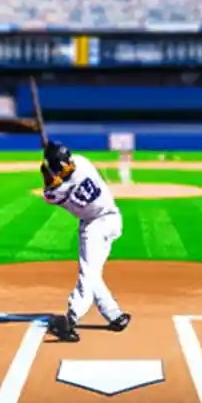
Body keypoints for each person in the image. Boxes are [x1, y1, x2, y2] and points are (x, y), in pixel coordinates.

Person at [40, 141, 131, 342]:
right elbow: (65, 174)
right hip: (114, 220)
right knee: (93, 272)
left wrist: (48, 173)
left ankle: (70, 320)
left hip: (94, 227)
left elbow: (49, 192)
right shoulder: (82, 162)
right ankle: (114, 315)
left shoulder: (55, 193)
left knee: (87, 274)